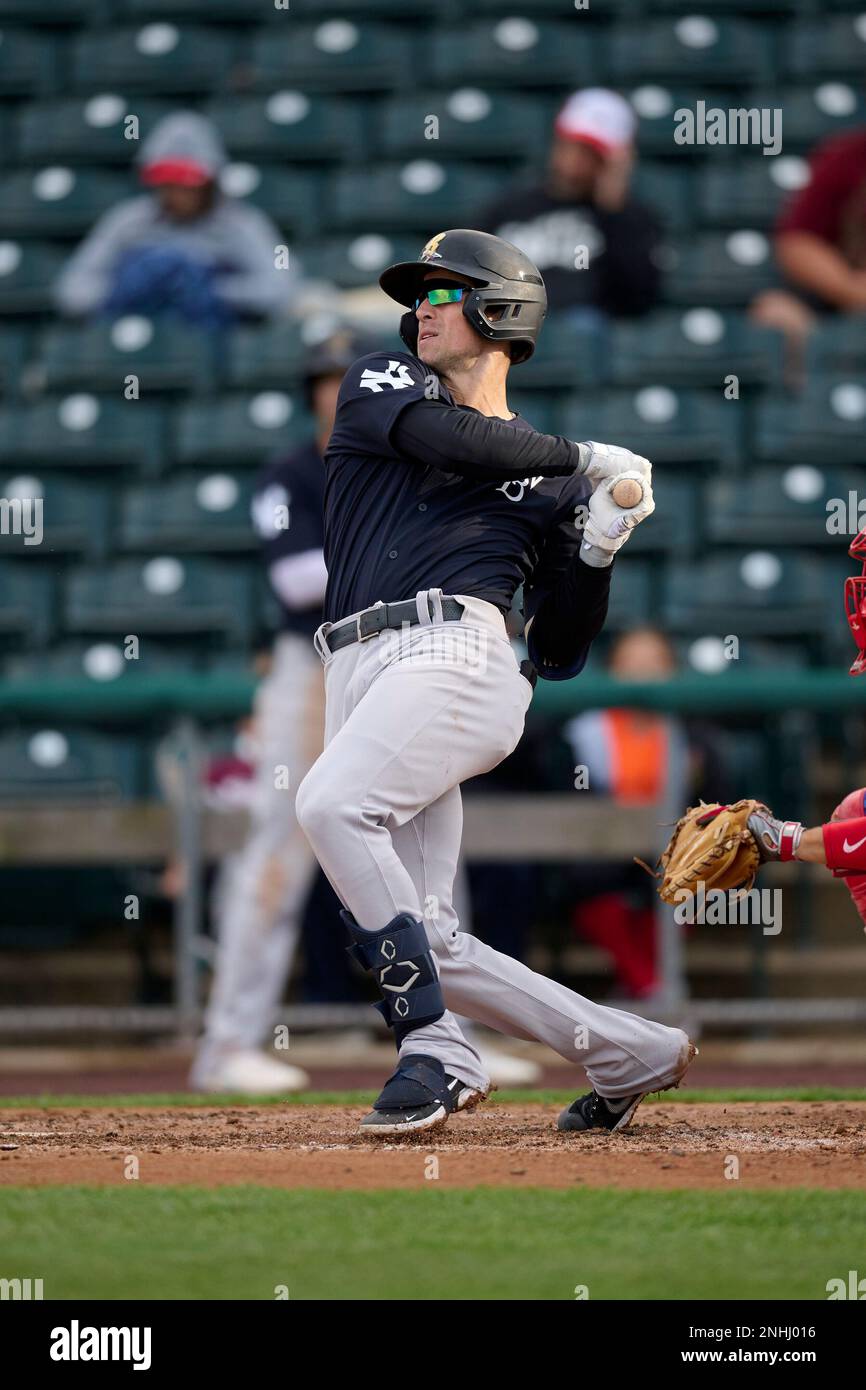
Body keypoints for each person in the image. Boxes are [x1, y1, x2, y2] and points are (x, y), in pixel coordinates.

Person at [294, 227, 696, 1138]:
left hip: (457, 657)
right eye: (420, 296)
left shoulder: (549, 481)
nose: (419, 310)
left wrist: (595, 549)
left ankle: (434, 1044)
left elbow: (559, 645)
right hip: (354, 667)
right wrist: (589, 459)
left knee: (330, 806)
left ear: (500, 310)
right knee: (431, 935)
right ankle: (629, 1051)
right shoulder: (382, 384)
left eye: (441, 293)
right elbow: (463, 441)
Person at [189, 335, 356, 1095]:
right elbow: (297, 582)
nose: (339, 391)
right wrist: (404, 563)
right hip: (312, 667)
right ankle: (228, 1044)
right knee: (279, 850)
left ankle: (449, 1038)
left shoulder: (399, 465)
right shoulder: (293, 472)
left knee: (429, 846)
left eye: (350, 379)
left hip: (389, 661)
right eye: (327, 380)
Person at [564, 626, 732, 1000]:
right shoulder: (582, 732)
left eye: (652, 663)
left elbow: (718, 805)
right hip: (600, 849)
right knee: (589, 884)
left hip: (673, 849)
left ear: (672, 670)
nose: (641, 672)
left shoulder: (695, 735)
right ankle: (652, 988)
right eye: (630, 663)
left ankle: (644, 988)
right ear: (612, 670)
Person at [54, 111, 295, 325]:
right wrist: (126, 289)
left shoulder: (243, 224)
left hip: (209, 350)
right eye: (167, 184)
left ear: (210, 183)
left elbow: (283, 288)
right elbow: (71, 290)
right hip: (133, 340)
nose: (175, 194)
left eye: (185, 184)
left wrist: (214, 288)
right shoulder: (127, 221)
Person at [477, 89, 662, 320]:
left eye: (590, 152)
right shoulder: (510, 208)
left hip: (586, 340)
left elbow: (637, 300)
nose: (573, 160)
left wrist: (612, 207)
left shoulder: (631, 219)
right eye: (570, 144)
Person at [751, 128, 866, 384]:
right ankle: (808, 413)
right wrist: (852, 289)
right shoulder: (851, 153)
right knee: (776, 312)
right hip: (840, 306)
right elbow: (797, 243)